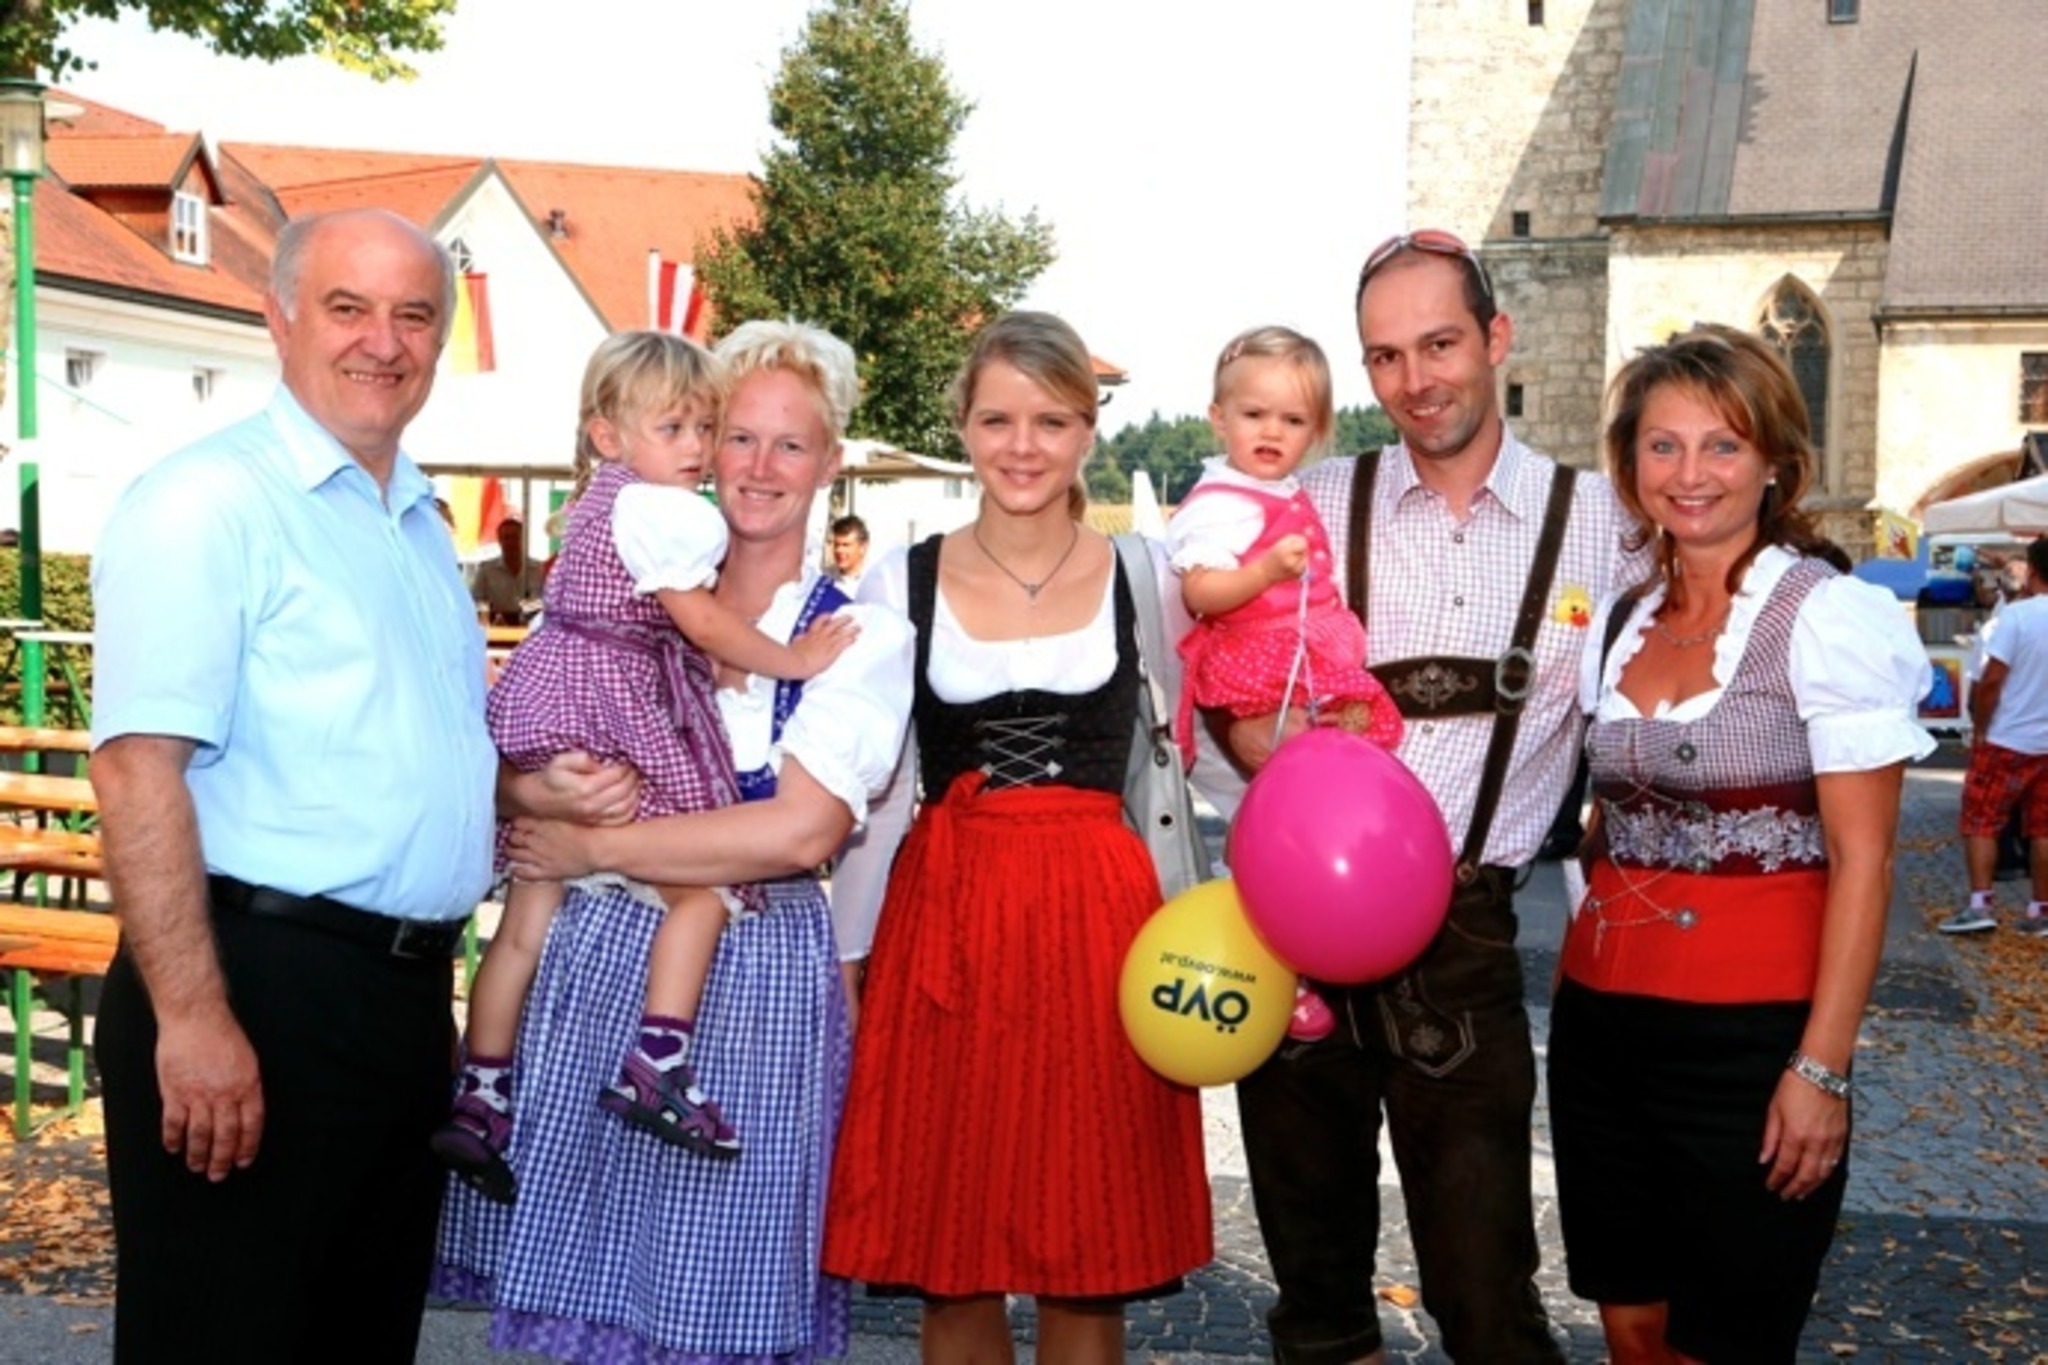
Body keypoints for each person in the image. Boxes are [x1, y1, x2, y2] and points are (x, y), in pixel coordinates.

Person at [434, 319, 914, 1364]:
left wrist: (593, 847)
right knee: (586, 1303)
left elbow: (796, 834)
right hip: (585, 970)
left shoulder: (854, 633)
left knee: (713, 1313)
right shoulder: (626, 617)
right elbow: (505, 770)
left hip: (747, 980)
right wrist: (534, 789)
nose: (754, 465)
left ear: (830, 463)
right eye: (733, 435)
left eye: (790, 444)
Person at [1220, 230, 1646, 1364]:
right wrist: (1252, 732)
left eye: (1440, 344)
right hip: (1293, 941)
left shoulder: (1605, 524)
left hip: (1463, 936)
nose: (1415, 381)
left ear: (1495, 339)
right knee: (1313, 1305)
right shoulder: (1306, 503)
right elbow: (1215, 672)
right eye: (1385, 357)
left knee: (1485, 1299)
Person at [89, 208, 498, 1362]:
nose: (383, 340)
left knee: (354, 1344)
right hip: (253, 988)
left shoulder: (413, 518)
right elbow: (135, 765)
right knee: (222, 1341)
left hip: (398, 1002)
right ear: (277, 318)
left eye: (413, 314)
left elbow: (406, 750)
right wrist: (194, 1017)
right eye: (347, 307)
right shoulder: (206, 503)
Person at [822, 312, 1212, 1362]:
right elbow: (867, 786)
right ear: (963, 426)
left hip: (1101, 930)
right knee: (953, 1259)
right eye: (996, 419)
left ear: (1089, 430)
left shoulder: (1147, 575)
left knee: (1088, 1262)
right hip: (944, 926)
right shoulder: (895, 579)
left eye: (1050, 419)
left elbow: (1194, 758)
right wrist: (850, 957)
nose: (1022, 445)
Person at [1549, 323, 1932, 1363]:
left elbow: (1864, 862)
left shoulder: (1825, 617)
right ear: (1629, 463)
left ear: (1773, 462)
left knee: (1726, 1344)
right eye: (1661, 446)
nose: (1689, 475)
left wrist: (1822, 1069)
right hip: (1596, 1036)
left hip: (1753, 1045)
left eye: (1721, 445)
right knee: (1630, 1328)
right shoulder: (1619, 618)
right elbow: (1601, 825)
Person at [1167, 324, 1403, 1042]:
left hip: (1302, 657)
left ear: (1317, 430)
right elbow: (1204, 591)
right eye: (1254, 414)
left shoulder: (1286, 490)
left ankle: (1328, 923)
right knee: (1278, 813)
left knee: (1328, 786)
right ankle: (1286, 961)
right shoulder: (1220, 501)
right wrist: (1266, 572)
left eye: (1293, 420)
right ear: (1218, 417)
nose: (1272, 431)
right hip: (1259, 661)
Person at [1942, 534, 2048, 935]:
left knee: (1981, 819)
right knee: (2043, 827)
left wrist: (1982, 726)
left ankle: (1981, 903)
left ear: (2033, 571)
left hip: (2009, 736)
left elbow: (1992, 679)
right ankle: (2041, 908)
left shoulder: (2017, 617)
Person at [471, 514, 546, 626]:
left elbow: (548, 601)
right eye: (506, 537)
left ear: (524, 539)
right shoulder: (486, 570)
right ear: (500, 540)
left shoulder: (539, 570)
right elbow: (476, 601)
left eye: (515, 537)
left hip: (532, 626)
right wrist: (485, 617)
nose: (511, 542)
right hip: (497, 626)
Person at [829, 512, 871, 592]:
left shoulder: (875, 580)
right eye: (836, 545)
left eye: (846, 545)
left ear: (863, 547)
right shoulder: (824, 581)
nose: (839, 550)